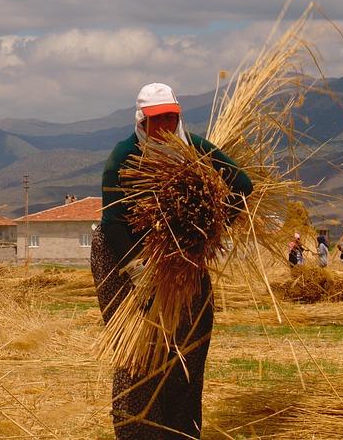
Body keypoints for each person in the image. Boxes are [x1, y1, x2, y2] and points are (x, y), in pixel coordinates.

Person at [92, 82, 253, 440]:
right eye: (155, 119)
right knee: (139, 349)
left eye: (170, 117)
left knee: (189, 344)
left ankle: (181, 431)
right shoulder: (124, 156)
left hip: (180, 257)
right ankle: (139, 430)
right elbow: (115, 224)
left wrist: (211, 229)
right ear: (141, 121)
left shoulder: (193, 148)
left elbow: (242, 185)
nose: (163, 126)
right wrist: (142, 274)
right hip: (123, 255)